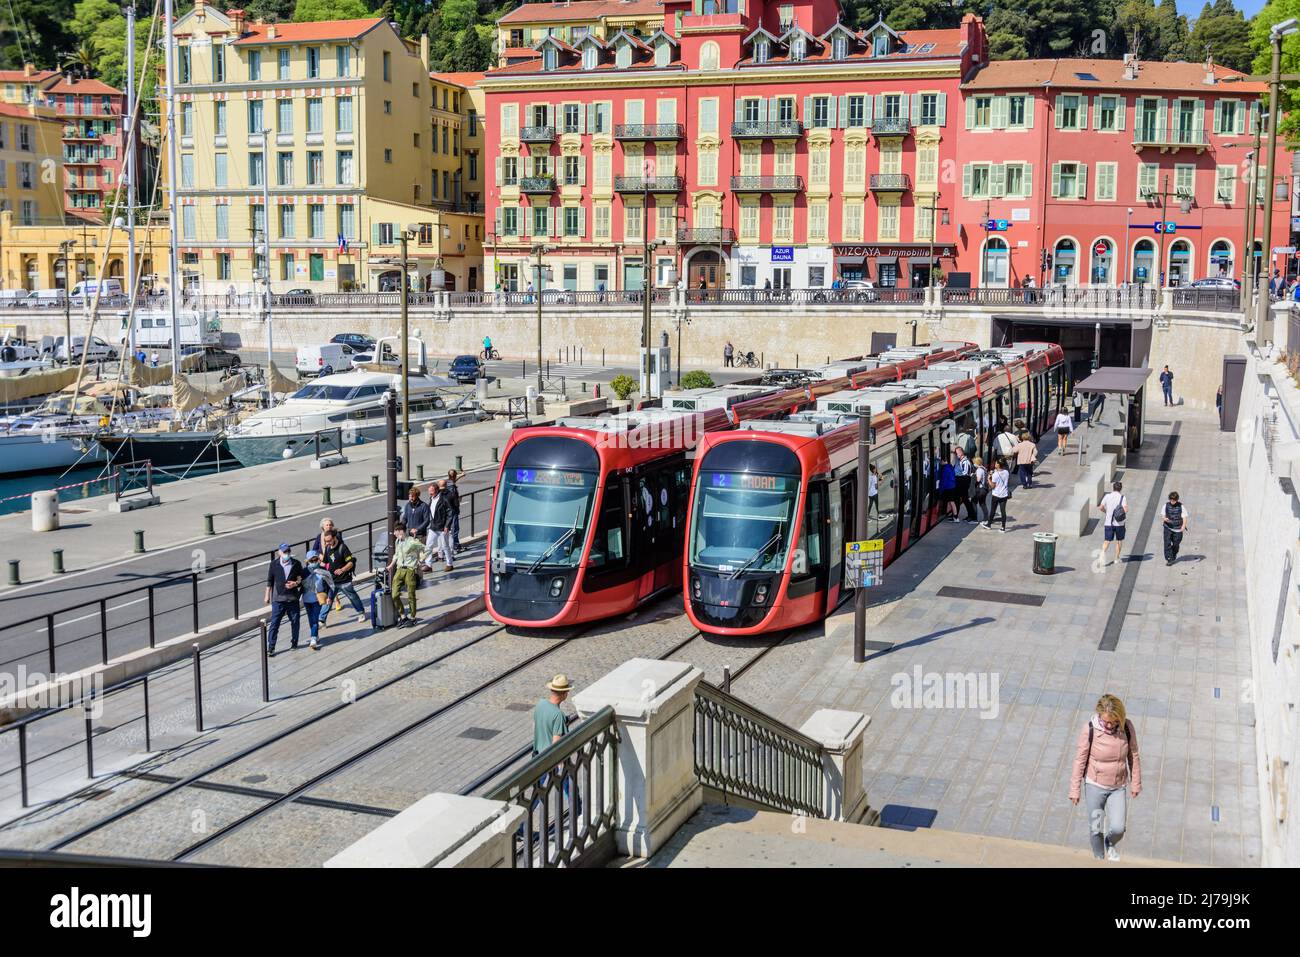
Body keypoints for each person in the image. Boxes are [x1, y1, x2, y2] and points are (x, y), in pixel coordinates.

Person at [1069, 694, 1141, 862]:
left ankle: (1110, 843)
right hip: (1094, 785)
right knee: (1096, 828)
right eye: (1105, 721)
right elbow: (1080, 759)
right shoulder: (1090, 729)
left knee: (1118, 828)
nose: (1109, 725)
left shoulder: (1127, 728)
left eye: (1113, 721)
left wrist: (1136, 783)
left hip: (1117, 786)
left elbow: (1134, 755)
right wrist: (1075, 789)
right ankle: (1099, 860)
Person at [318, 530, 366, 627]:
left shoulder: (342, 547)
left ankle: (361, 612)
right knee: (328, 600)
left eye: (329, 540)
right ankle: (321, 620)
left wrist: (342, 569)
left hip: (344, 580)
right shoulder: (327, 548)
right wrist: (316, 564)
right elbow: (325, 562)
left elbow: (351, 562)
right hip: (332, 581)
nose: (327, 543)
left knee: (352, 597)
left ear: (335, 537)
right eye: (325, 541)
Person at [264, 543, 304, 656]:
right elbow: (269, 580)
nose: (287, 554)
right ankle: (271, 647)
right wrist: (267, 595)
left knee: (295, 621)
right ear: (279, 553)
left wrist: (295, 583)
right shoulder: (274, 564)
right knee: (275, 623)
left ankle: (294, 642)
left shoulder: (296, 564)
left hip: (292, 598)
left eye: (288, 551)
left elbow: (301, 579)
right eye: (284, 552)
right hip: (278, 599)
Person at [386, 522, 423, 627]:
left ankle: (413, 617)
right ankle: (403, 616)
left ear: (401, 532)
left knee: (411, 594)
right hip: (399, 569)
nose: (394, 534)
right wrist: (391, 565)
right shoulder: (398, 541)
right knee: (395, 594)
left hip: (410, 570)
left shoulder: (411, 541)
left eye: (396, 532)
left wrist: (419, 561)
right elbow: (396, 554)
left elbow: (424, 550)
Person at [533, 674, 572, 756]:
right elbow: (556, 745)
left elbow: (536, 727)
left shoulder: (540, 704)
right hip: (548, 760)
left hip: (536, 756)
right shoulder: (558, 714)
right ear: (564, 694)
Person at [301, 551, 333, 651]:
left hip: (317, 599)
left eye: (316, 559)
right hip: (306, 599)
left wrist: (329, 597)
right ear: (308, 561)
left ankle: (313, 638)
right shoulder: (304, 571)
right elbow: (299, 584)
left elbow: (331, 584)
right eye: (312, 560)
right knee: (311, 619)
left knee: (315, 619)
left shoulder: (323, 570)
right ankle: (315, 634)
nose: (314, 562)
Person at [1098, 480, 1128, 566]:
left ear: (1113, 488)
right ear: (1120, 489)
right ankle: (1116, 558)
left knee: (1107, 541)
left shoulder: (1107, 496)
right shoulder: (1123, 497)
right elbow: (1126, 510)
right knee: (1119, 540)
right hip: (1119, 524)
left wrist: (1107, 512)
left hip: (1108, 523)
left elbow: (1101, 507)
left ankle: (1102, 555)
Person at [430, 478, 456, 571]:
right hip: (433, 526)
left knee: (445, 545)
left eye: (432, 491)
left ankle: (449, 563)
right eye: (430, 492)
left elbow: (450, 511)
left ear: (436, 490)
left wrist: (447, 525)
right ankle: (428, 565)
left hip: (442, 526)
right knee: (429, 545)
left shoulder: (444, 498)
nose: (430, 493)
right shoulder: (432, 498)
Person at [983, 457, 1010, 532]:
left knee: (993, 510)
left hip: (996, 494)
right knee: (1003, 511)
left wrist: (988, 479)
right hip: (1004, 494)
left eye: (996, 463)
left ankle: (989, 524)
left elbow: (992, 486)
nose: (995, 464)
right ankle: (1003, 527)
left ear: (998, 465)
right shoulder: (1006, 472)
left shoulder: (995, 475)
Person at [1161, 491, 1188, 566]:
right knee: (1167, 543)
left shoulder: (1181, 506)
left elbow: (1185, 517)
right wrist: (1164, 518)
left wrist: (1183, 526)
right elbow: (1163, 515)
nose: (1172, 501)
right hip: (1168, 528)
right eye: (1171, 500)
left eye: (1174, 500)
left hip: (1178, 528)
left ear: (1177, 500)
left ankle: (1173, 553)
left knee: (1176, 544)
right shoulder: (1165, 506)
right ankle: (1169, 558)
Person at [953, 447, 977, 522]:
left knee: (965, 500)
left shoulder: (966, 462)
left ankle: (972, 516)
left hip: (963, 483)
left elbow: (965, 474)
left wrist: (957, 476)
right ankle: (955, 514)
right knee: (959, 499)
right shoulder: (960, 461)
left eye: (957, 453)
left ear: (961, 453)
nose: (956, 455)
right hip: (960, 482)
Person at [445, 468, 463, 552]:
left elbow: (453, 480)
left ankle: (455, 544)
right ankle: (455, 545)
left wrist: (461, 475)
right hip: (453, 509)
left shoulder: (447, 483)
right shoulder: (452, 487)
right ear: (454, 476)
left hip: (448, 509)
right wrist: (458, 500)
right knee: (455, 527)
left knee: (451, 528)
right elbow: (453, 498)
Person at [970, 456, 989, 525]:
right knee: (982, 504)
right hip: (984, 489)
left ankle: (974, 519)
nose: (974, 464)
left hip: (980, 489)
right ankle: (986, 518)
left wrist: (973, 476)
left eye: (974, 462)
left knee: (974, 502)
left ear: (977, 462)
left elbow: (978, 480)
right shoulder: (984, 468)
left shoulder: (979, 470)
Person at [938, 456, 958, 522]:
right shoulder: (950, 466)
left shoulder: (945, 469)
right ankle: (953, 516)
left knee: (951, 502)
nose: (940, 463)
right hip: (952, 486)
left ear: (943, 461)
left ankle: (955, 517)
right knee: (950, 501)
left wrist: (941, 490)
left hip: (948, 488)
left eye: (940, 462)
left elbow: (943, 481)